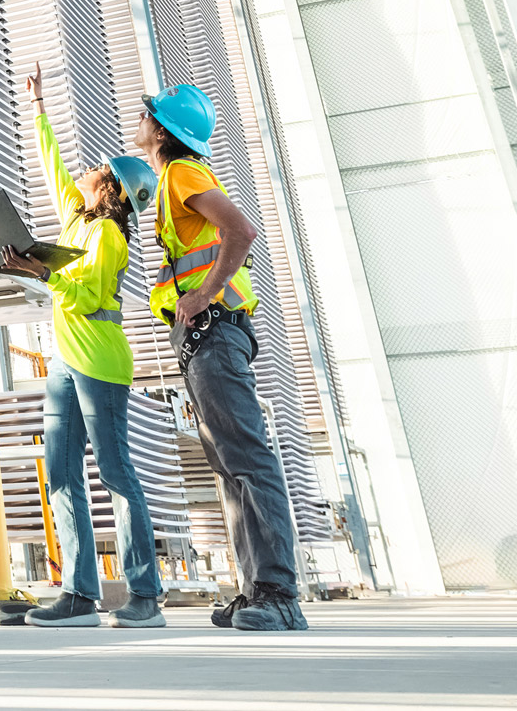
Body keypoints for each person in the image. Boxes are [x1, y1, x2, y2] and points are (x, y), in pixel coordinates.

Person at [138, 82, 309, 632]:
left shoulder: (182, 173)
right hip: (202, 337)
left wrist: (205, 294)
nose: (142, 120)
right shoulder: (171, 179)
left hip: (215, 330)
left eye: (149, 116)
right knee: (230, 465)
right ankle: (254, 588)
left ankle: (280, 594)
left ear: (162, 133)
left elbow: (241, 231)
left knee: (249, 460)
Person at [5, 64, 165, 629]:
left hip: (98, 357)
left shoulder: (107, 235)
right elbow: (52, 171)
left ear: (111, 193)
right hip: (65, 361)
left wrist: (39, 273)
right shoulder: (77, 223)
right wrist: (39, 108)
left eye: (96, 173)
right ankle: (78, 594)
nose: (83, 175)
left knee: (116, 472)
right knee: (62, 473)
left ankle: (145, 596)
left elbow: (86, 293)